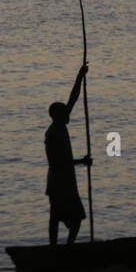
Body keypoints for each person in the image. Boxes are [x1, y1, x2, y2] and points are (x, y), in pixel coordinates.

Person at [45, 63, 92, 246]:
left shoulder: (61, 125)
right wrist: (82, 161)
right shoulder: (53, 134)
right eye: (65, 113)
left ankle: (65, 248)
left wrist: (80, 76)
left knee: (74, 217)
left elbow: (73, 98)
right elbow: (58, 163)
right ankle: (54, 248)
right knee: (57, 217)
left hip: (65, 181)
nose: (69, 114)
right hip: (59, 182)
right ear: (58, 116)